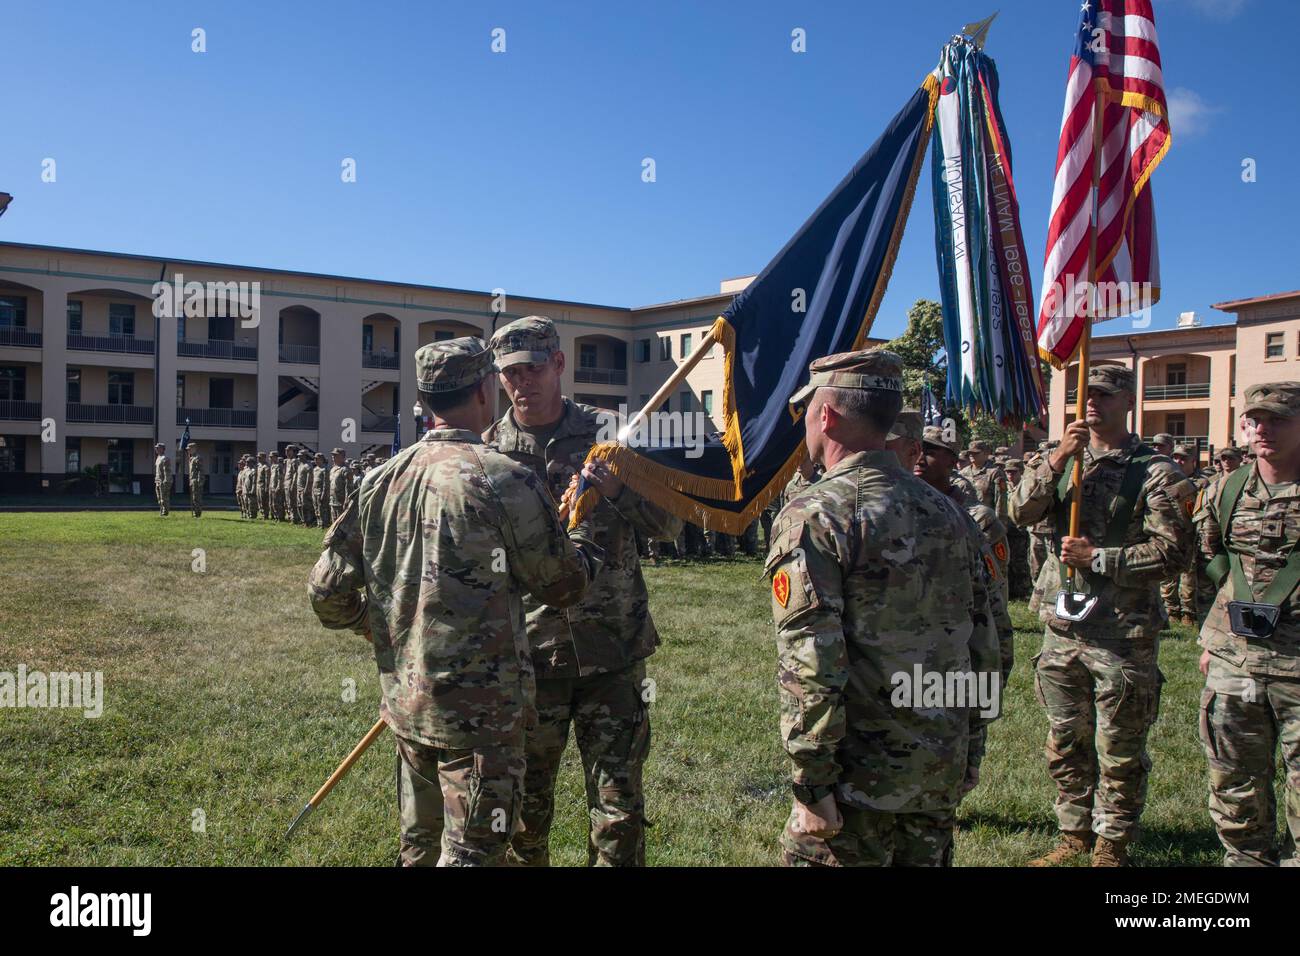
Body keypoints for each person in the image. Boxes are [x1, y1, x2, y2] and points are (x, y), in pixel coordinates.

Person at [308, 337, 605, 866]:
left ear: (424, 401)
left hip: (408, 706)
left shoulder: (379, 480)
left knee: (418, 850)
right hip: (483, 721)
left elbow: (326, 591)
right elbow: (564, 587)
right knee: (472, 853)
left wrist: (377, 629)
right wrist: (584, 538)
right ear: (485, 389)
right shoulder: (505, 479)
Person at [769, 349, 1000, 866]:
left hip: (854, 783)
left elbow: (811, 663)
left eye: (808, 409)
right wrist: (970, 746)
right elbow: (989, 639)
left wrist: (812, 782)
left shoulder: (816, 514)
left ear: (826, 415)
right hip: (937, 762)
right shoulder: (949, 511)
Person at [485, 316, 682, 867]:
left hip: (612, 652)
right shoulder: (489, 453)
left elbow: (669, 525)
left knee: (619, 814)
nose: (521, 382)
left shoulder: (613, 435)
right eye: (510, 373)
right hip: (529, 658)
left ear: (559, 365)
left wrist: (619, 490)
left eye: (533, 369)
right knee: (525, 814)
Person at [1010, 364, 1192, 866]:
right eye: (1084, 395)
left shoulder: (1156, 472)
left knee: (1119, 744)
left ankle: (1112, 841)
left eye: (1103, 396)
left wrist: (1100, 559)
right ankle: (1073, 833)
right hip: (1063, 624)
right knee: (1065, 738)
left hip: (1122, 629)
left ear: (1127, 402)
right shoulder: (1060, 458)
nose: (1091, 404)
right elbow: (1019, 514)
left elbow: (1174, 553)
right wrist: (1058, 461)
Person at [1195, 383, 1300, 867]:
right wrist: (1217, 633)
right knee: (1234, 779)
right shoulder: (1227, 487)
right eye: (1255, 420)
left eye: (1277, 419)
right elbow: (1211, 552)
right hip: (1235, 660)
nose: (1263, 429)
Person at [914, 424, 1015, 796]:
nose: (921, 459)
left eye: (932, 451)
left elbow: (993, 595)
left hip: (967, 638)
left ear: (952, 460)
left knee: (965, 728)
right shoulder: (906, 510)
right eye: (918, 449)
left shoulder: (979, 518)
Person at [961, 439, 1008, 522]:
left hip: (986, 521)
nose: (971, 455)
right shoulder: (963, 473)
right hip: (965, 520)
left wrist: (1000, 524)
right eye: (970, 453)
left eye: (976, 453)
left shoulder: (994, 473)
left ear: (986, 454)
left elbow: (1000, 502)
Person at [329, 447, 350, 516]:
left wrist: (347, 501)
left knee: (341, 523)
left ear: (342, 457)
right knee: (334, 521)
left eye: (336, 456)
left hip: (341, 502)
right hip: (333, 500)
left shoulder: (345, 470)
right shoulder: (333, 469)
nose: (333, 457)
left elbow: (349, 487)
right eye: (333, 456)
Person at [313, 451, 331, 528]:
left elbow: (325, 483)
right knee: (316, 507)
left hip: (321, 491)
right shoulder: (315, 469)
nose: (316, 461)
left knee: (322, 508)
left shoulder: (325, 469)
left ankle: (324, 523)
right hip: (315, 491)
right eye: (315, 459)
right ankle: (319, 523)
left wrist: (324, 493)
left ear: (322, 459)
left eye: (317, 459)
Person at [154, 443, 172, 517]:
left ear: (163, 449)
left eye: (158, 448)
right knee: (159, 498)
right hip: (158, 480)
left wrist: (166, 481)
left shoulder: (165, 458)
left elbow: (167, 471)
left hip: (164, 481)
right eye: (156, 448)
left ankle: (165, 513)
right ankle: (161, 512)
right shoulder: (158, 458)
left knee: (164, 498)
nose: (156, 449)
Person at [187, 445, 204, 518]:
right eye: (188, 449)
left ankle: (197, 513)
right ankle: (195, 512)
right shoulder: (191, 458)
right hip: (192, 480)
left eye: (189, 449)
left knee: (197, 497)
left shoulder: (197, 458)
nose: (188, 451)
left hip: (196, 480)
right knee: (193, 497)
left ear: (194, 449)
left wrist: (199, 480)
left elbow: (200, 470)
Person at [269, 450, 285, 521]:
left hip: (277, 487)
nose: (270, 458)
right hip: (272, 487)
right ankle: (275, 516)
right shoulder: (272, 466)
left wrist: (279, 486)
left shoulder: (279, 466)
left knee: (278, 503)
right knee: (272, 503)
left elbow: (280, 477)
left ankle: (280, 517)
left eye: (271, 457)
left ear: (275, 457)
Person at [256, 451, 271, 520]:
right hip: (258, 484)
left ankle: (265, 515)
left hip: (263, 485)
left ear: (264, 458)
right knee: (259, 500)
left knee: (264, 500)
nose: (258, 459)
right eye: (258, 458)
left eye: (260, 458)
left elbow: (267, 478)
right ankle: (262, 514)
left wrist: (266, 487)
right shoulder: (259, 465)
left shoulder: (266, 466)